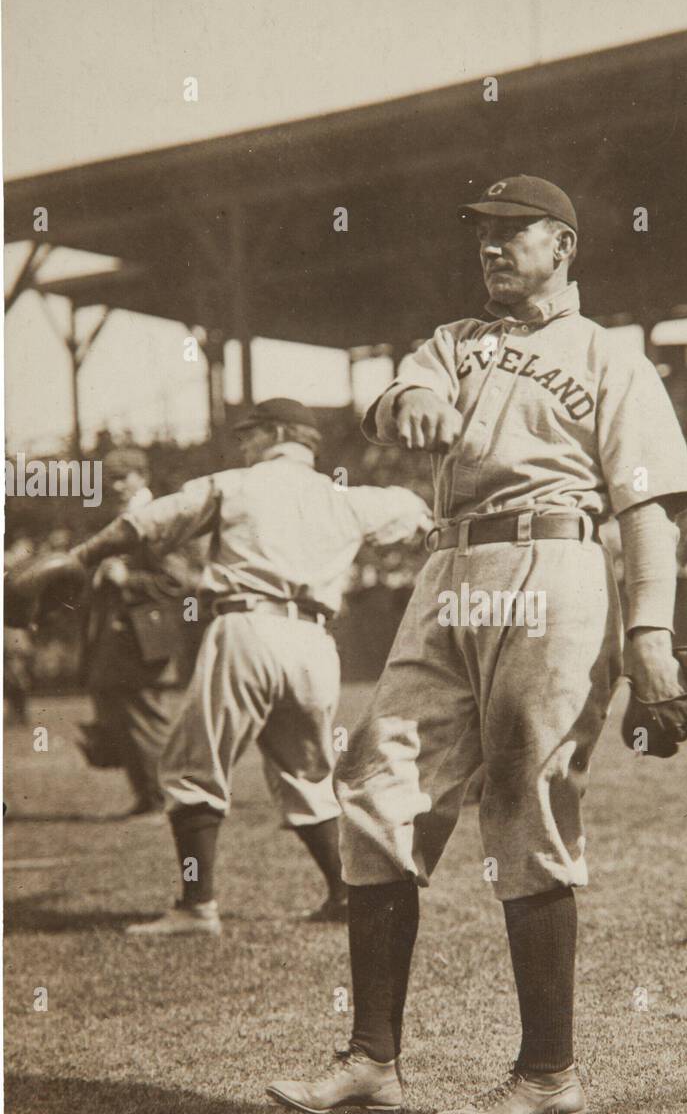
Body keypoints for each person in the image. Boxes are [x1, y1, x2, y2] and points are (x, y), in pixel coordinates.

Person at [267, 176, 687, 1114]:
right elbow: (397, 396)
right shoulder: (455, 341)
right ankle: (373, 1060)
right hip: (448, 569)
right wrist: (411, 398)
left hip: (557, 560)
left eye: (513, 233)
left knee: (526, 798)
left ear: (565, 248)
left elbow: (650, 505)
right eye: (482, 234)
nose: (492, 248)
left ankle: (548, 1073)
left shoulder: (608, 355)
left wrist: (651, 635)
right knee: (377, 785)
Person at [63, 399, 431, 937]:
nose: (242, 443)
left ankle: (196, 907)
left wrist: (79, 558)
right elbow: (419, 512)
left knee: (192, 770)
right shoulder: (348, 499)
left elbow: (145, 523)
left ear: (278, 433)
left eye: (249, 434)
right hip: (313, 645)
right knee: (307, 777)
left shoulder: (235, 484)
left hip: (247, 626)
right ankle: (342, 893)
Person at [80, 447, 199, 816]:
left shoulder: (156, 517)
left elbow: (180, 580)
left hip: (146, 639)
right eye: (108, 478)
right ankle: (149, 796)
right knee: (125, 718)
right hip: (121, 638)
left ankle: (164, 797)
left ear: (141, 477)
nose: (114, 485)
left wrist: (126, 578)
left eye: (122, 476)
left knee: (146, 719)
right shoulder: (124, 517)